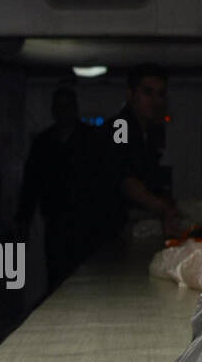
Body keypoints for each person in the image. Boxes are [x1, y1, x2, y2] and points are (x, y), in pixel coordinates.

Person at [16, 86, 97, 288]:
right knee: (57, 276)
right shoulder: (43, 143)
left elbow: (103, 181)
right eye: (59, 107)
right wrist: (23, 222)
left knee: (87, 276)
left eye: (67, 106)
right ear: (53, 110)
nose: (63, 111)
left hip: (87, 223)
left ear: (75, 109)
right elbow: (30, 185)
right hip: (55, 223)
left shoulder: (91, 139)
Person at [108, 63, 183, 238]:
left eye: (161, 94)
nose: (155, 101)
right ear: (130, 94)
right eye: (148, 92)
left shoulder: (148, 133)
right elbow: (125, 179)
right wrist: (163, 208)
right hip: (106, 232)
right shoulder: (121, 127)